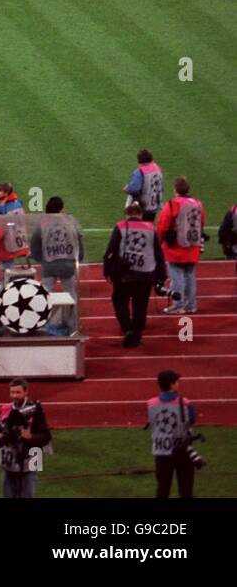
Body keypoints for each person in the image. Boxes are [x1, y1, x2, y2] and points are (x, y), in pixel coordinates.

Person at [103, 201, 165, 347]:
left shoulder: (121, 226)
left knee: (120, 301)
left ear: (127, 214)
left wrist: (107, 270)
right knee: (141, 305)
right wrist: (161, 276)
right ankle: (137, 334)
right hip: (145, 274)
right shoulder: (151, 228)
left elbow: (111, 250)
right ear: (141, 214)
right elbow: (158, 253)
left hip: (124, 274)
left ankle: (127, 329)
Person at [0, 378, 51, 498]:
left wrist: (31, 437)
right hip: (9, 459)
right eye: (12, 392)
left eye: (17, 392)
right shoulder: (5, 408)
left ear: (26, 392)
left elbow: (46, 436)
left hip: (31, 459)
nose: (14, 396)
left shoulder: (36, 410)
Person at [157, 176, 206, 314]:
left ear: (175, 190)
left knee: (176, 277)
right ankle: (191, 305)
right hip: (193, 245)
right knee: (190, 276)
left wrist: (158, 242)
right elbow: (201, 223)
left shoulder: (172, 204)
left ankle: (178, 305)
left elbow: (162, 226)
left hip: (176, 248)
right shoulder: (197, 203)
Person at [148, 369, 197, 498]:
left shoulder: (151, 404)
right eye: (177, 381)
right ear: (171, 385)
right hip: (182, 451)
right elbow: (192, 420)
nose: (178, 383)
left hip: (161, 452)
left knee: (162, 490)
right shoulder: (185, 404)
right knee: (186, 490)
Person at [32, 196, 83, 297]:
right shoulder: (70, 220)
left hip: (49, 263)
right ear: (60, 209)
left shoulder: (42, 222)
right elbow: (78, 240)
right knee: (70, 292)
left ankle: (48, 313)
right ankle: (72, 313)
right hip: (67, 263)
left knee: (47, 292)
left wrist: (38, 258)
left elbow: (35, 242)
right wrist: (79, 256)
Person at [0, 182, 29, 279]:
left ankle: (6, 291)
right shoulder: (17, 203)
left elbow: (1, 228)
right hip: (17, 239)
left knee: (7, 270)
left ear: (5, 193)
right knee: (8, 267)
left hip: (8, 242)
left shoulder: (4, 207)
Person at [124, 149, 166, 222]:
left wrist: (126, 189)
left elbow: (134, 189)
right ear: (151, 159)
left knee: (137, 228)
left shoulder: (139, 172)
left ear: (139, 161)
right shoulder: (158, 169)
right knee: (148, 227)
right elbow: (161, 187)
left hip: (142, 208)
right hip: (154, 206)